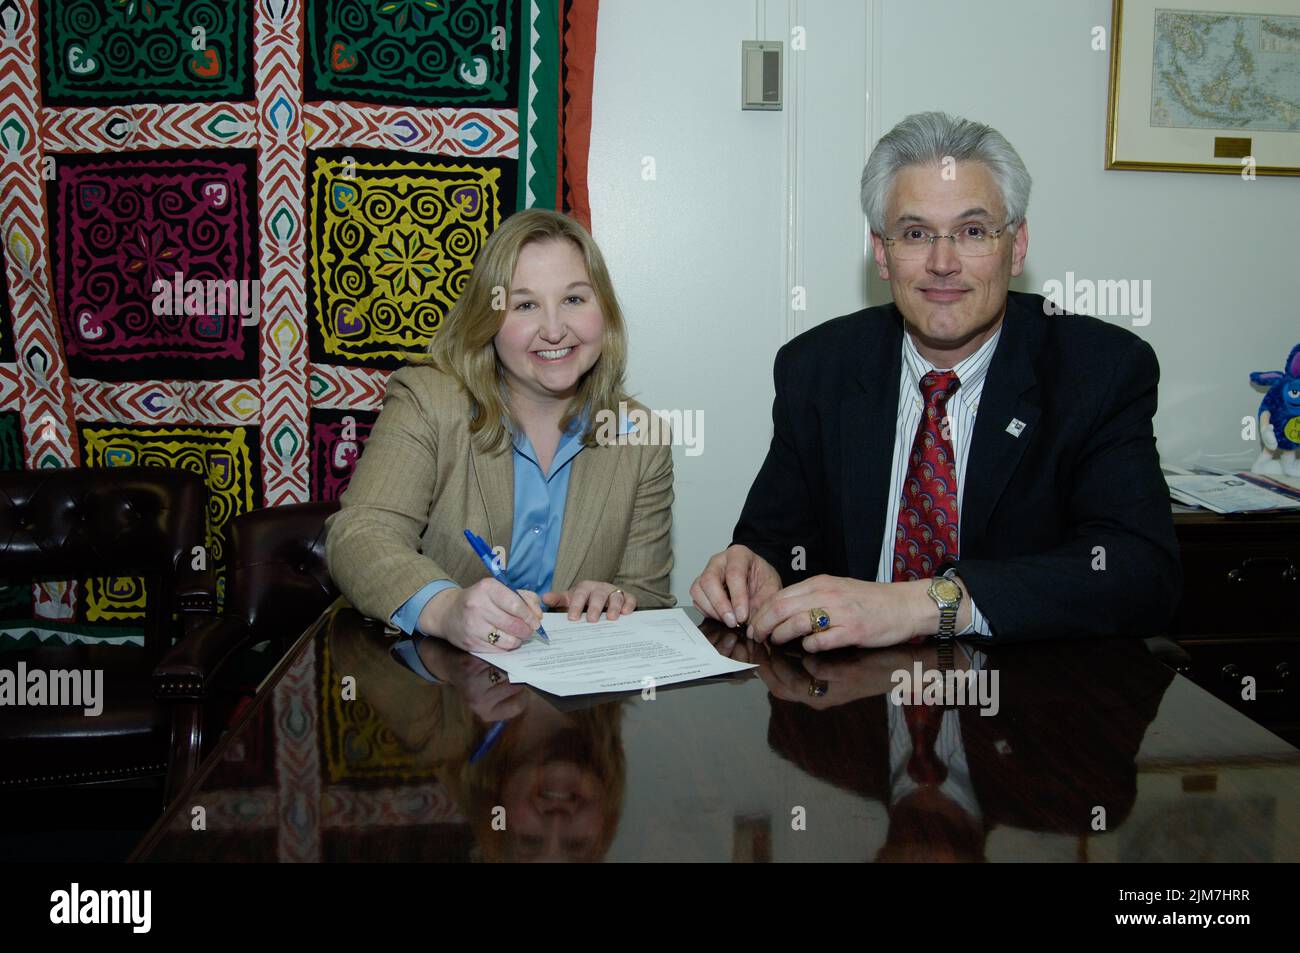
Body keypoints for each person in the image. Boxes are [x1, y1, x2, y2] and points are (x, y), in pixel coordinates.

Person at [691, 112, 1181, 650]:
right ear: (883, 253)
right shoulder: (817, 367)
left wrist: (925, 604)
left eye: (973, 232)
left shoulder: (1099, 370)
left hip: (1029, 701)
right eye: (916, 233)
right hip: (848, 699)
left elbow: (1139, 574)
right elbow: (778, 541)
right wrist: (755, 567)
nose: (942, 263)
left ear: (1016, 247)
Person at [326, 208, 674, 654]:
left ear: (603, 310)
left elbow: (649, 599)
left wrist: (617, 601)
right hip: (439, 696)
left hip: (574, 711)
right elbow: (359, 534)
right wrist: (445, 608)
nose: (553, 330)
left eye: (574, 299)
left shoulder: (639, 436)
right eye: (525, 304)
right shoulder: (427, 400)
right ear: (488, 319)